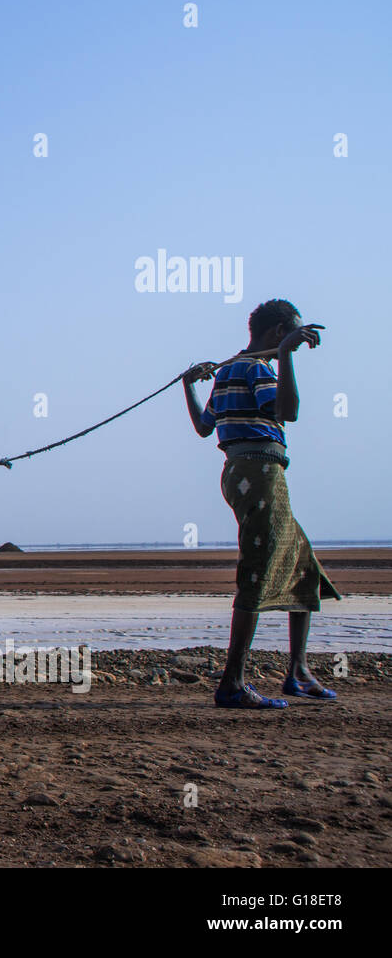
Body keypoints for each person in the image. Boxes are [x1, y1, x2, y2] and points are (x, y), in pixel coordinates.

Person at [182, 299, 340, 709]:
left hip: (243, 473)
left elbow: (204, 428)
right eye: (294, 337)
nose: (299, 345)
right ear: (277, 333)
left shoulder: (231, 369)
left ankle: (298, 673)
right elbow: (288, 412)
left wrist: (188, 387)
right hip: (259, 475)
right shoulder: (255, 368)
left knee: (303, 566)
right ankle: (232, 683)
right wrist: (286, 356)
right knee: (255, 571)